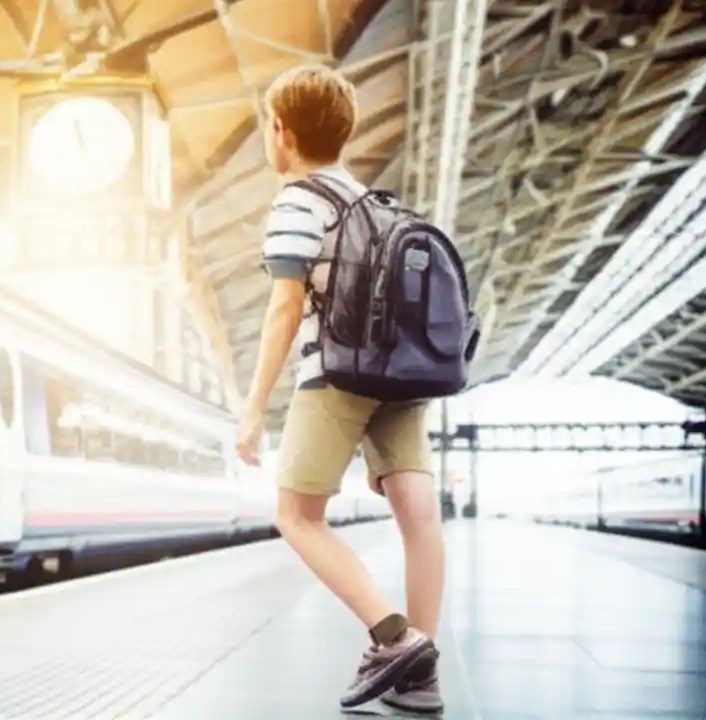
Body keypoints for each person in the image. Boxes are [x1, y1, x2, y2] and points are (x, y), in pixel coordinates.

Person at [234, 64, 446, 714]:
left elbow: (285, 309)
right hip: (403, 377)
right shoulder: (379, 206)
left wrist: (251, 415)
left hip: (336, 375)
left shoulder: (297, 201)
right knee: (418, 512)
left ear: (282, 132)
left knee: (296, 515)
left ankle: (394, 637)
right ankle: (421, 677)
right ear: (345, 133)